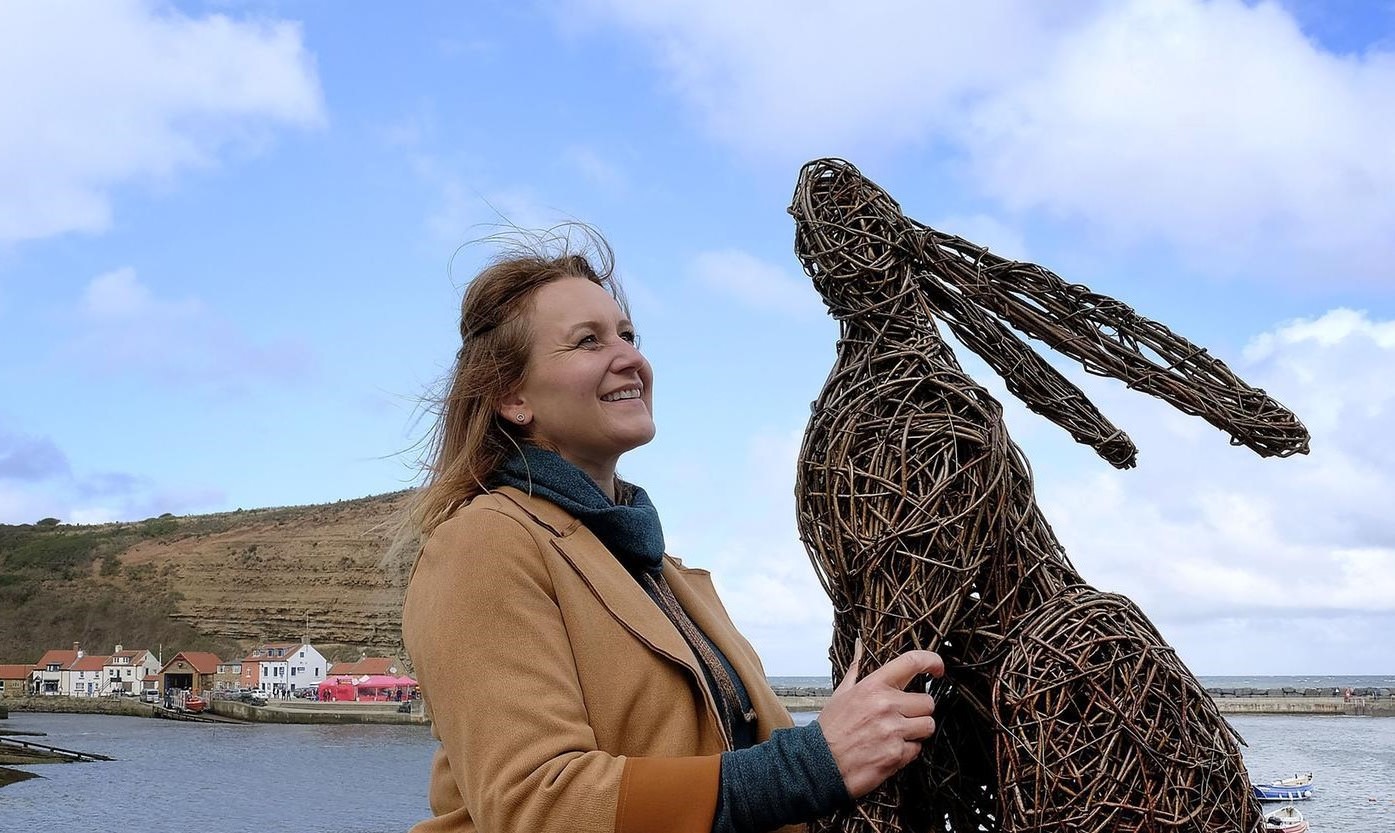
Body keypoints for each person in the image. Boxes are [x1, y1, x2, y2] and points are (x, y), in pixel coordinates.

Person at [401, 229, 944, 833]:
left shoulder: (659, 571)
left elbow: (749, 766)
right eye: (588, 342)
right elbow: (540, 804)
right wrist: (813, 765)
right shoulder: (485, 541)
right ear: (512, 396)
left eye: (628, 335)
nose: (630, 357)